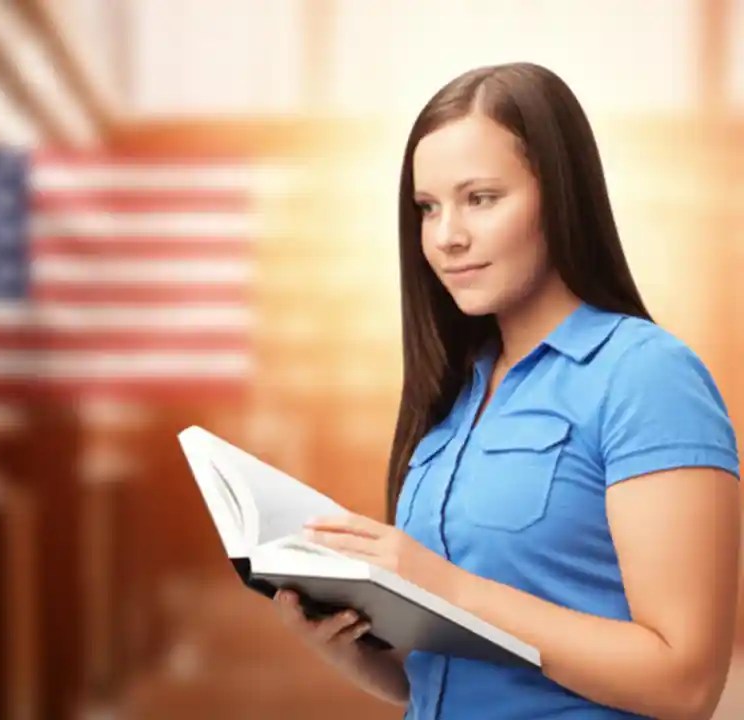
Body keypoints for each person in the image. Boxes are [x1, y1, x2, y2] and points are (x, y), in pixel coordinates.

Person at [272, 62, 740, 719]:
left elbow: (685, 685)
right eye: (427, 208)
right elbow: (453, 671)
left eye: (481, 198)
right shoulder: (456, 395)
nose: (447, 236)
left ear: (560, 196)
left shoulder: (645, 376)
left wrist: (446, 587)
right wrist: (345, 645)